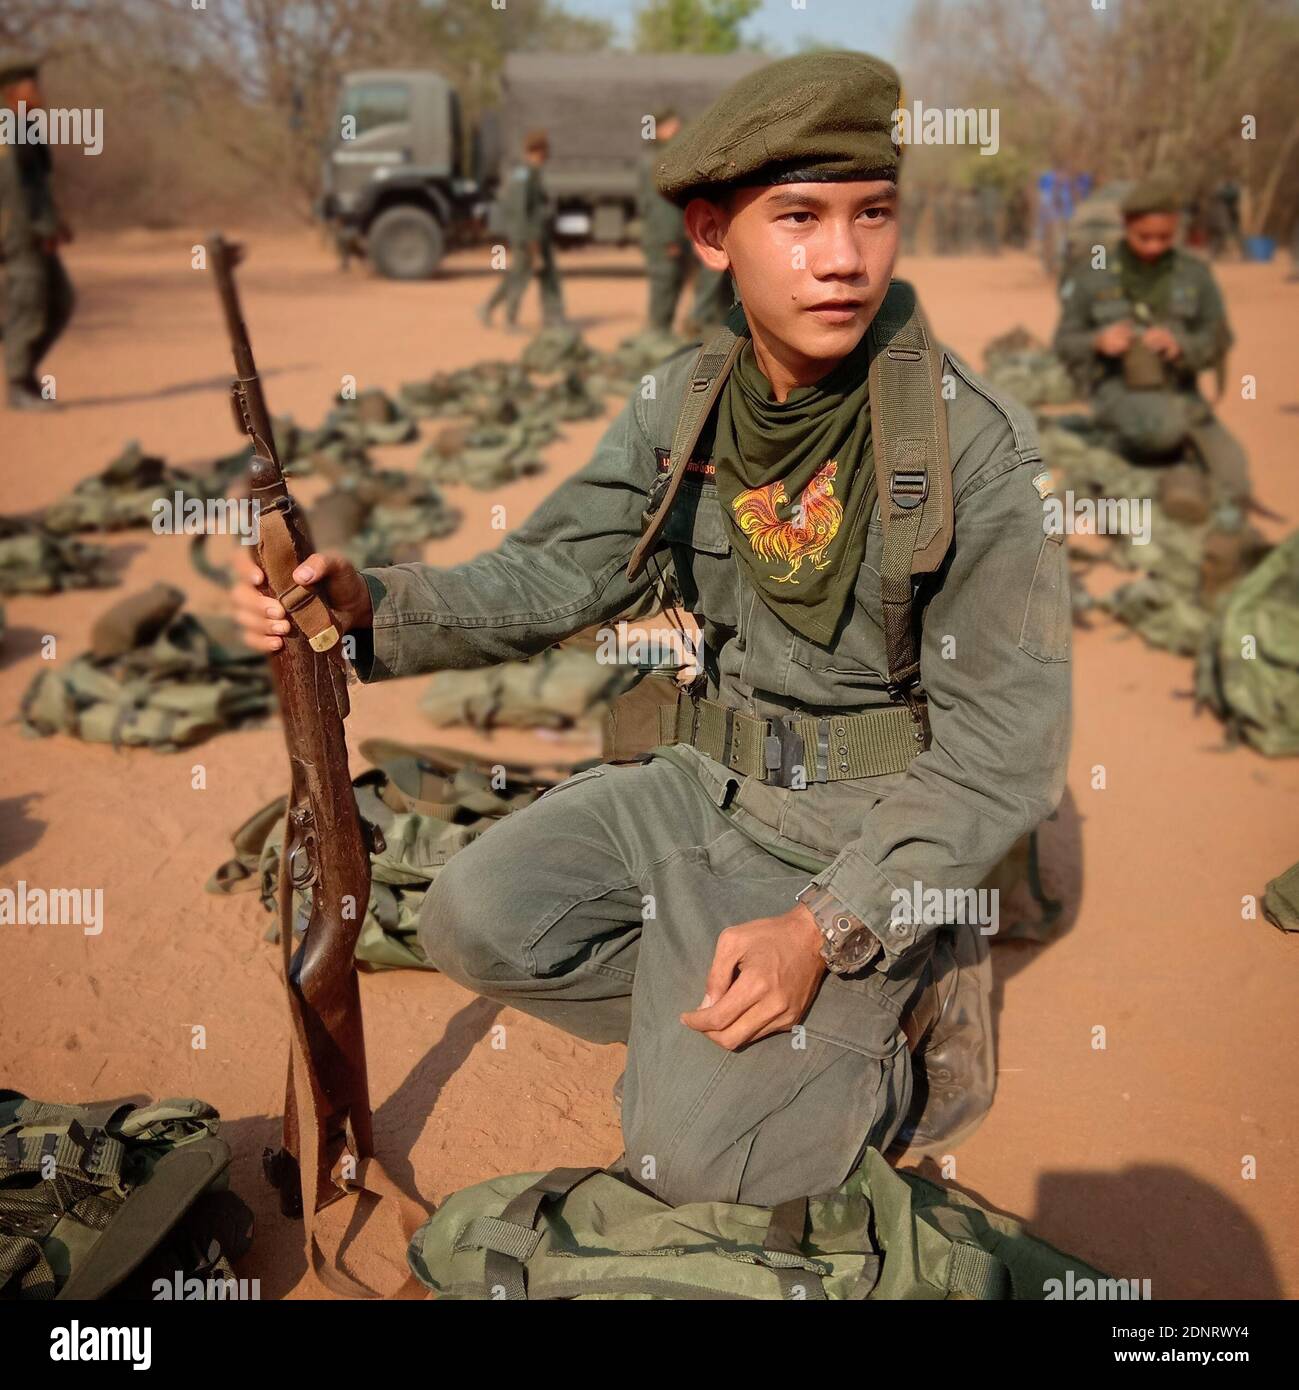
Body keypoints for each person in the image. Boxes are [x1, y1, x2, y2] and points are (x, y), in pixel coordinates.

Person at [234, 51, 1071, 1208]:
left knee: (697, 1177)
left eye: (872, 214)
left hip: (860, 834)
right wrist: (374, 602)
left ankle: (901, 983)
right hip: (705, 790)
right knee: (472, 918)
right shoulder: (684, 404)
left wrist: (825, 929)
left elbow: (1001, 757)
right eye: (799, 218)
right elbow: (558, 572)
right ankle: (734, 1019)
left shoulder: (969, 448)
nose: (844, 257)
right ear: (712, 236)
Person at [1053, 177, 1248, 502]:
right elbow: (1064, 342)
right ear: (1127, 225)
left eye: (1164, 237)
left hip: (1183, 395)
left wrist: (1180, 345)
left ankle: (1159, 456)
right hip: (1117, 390)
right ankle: (1106, 448)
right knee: (1162, 432)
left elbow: (1218, 339)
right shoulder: (1092, 275)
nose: (1154, 246)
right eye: (1144, 237)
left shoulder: (1194, 274)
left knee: (1235, 485)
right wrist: (1097, 342)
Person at [0, 51, 74, 411]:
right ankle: (18, 384)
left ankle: (26, 372)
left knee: (62, 302)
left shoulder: (26, 128)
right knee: (26, 306)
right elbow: (15, 190)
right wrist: (43, 227)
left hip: (37, 232)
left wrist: (57, 222)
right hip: (18, 235)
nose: (39, 91)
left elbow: (38, 186)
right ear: (14, 92)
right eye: (32, 86)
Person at [479, 129, 565, 332]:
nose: (545, 157)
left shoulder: (533, 174)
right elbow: (520, 212)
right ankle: (508, 318)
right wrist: (530, 243)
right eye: (542, 152)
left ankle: (551, 316)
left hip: (536, 235)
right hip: (527, 237)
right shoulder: (523, 175)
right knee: (520, 277)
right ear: (534, 152)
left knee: (541, 276)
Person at [638, 108, 690, 333]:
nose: (677, 131)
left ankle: (661, 333)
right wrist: (671, 238)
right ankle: (657, 334)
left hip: (664, 233)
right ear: (659, 130)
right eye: (672, 127)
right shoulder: (659, 161)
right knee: (664, 285)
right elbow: (662, 206)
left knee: (671, 284)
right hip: (663, 236)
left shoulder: (660, 157)